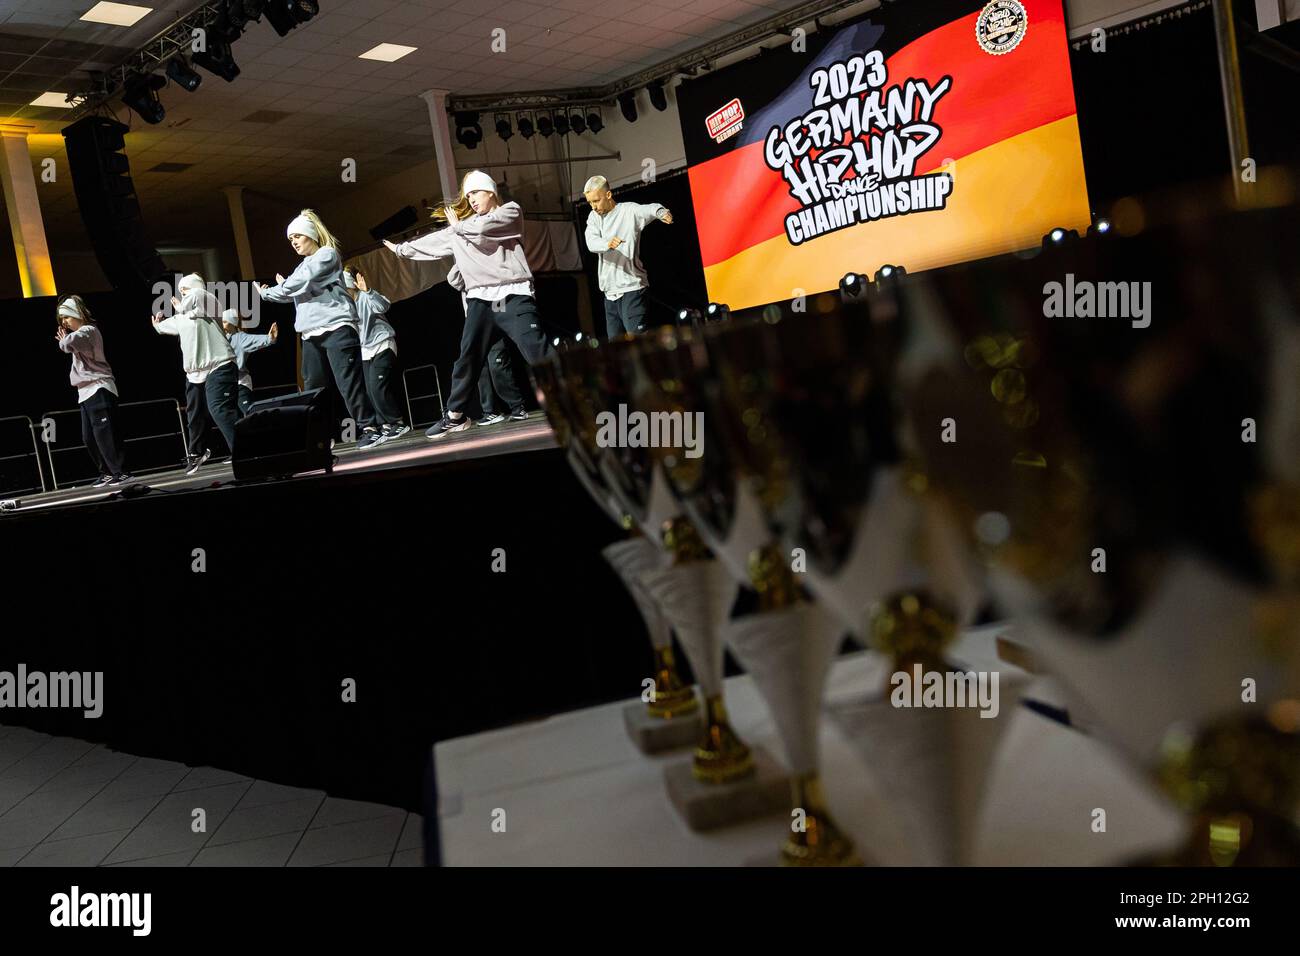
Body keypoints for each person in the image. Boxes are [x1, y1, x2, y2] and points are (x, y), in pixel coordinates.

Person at [382, 170, 550, 440]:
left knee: (537, 351)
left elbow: (484, 228)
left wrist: (458, 229)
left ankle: (573, 398)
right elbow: (435, 242)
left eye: (475, 192)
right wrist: (403, 249)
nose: (471, 199)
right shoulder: (462, 229)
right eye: (468, 195)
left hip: (513, 294)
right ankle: (455, 416)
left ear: (491, 192)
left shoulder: (510, 211)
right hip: (481, 302)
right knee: (467, 358)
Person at [256, 209, 383, 450]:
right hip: (310, 333)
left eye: (297, 236)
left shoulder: (327, 255)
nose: (293, 242)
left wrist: (272, 291)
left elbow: (300, 283)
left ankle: (370, 427)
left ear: (310, 235)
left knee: (348, 383)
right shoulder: (301, 267)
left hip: (336, 327)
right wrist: (275, 291)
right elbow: (292, 291)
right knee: (313, 387)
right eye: (290, 239)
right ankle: (322, 434)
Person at [151, 273, 241, 475]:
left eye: (186, 289)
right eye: (181, 291)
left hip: (219, 364)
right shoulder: (182, 317)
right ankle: (197, 452)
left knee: (219, 409)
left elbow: (198, 293)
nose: (183, 293)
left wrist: (184, 301)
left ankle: (243, 450)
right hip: (194, 373)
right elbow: (165, 327)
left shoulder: (208, 303)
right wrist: (157, 324)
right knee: (194, 414)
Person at [582, 174, 672, 338]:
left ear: (608, 195)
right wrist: (607, 244)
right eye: (590, 202)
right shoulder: (593, 217)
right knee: (616, 348)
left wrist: (661, 212)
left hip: (632, 288)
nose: (593, 206)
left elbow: (649, 209)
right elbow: (591, 242)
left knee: (637, 342)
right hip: (609, 294)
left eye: (596, 201)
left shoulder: (629, 211)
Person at [55, 295, 130, 487]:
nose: (64, 322)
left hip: (99, 386)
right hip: (86, 391)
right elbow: (69, 343)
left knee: (105, 434)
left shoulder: (88, 331)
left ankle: (120, 472)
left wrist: (63, 342)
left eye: (66, 317)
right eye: (62, 318)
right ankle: (106, 472)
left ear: (76, 314)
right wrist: (65, 342)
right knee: (89, 437)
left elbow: (68, 343)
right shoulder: (80, 334)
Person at [343, 267, 410, 442]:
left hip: (382, 344)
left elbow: (384, 305)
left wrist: (368, 291)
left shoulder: (366, 297)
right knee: (370, 391)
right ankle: (384, 423)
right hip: (365, 351)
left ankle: (398, 422)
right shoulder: (345, 307)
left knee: (378, 387)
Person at [220, 308, 279, 415]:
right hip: (228, 384)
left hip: (241, 383)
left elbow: (255, 340)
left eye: (224, 322)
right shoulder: (223, 338)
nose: (222, 325)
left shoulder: (241, 338)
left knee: (249, 412)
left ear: (232, 323)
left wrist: (269, 338)